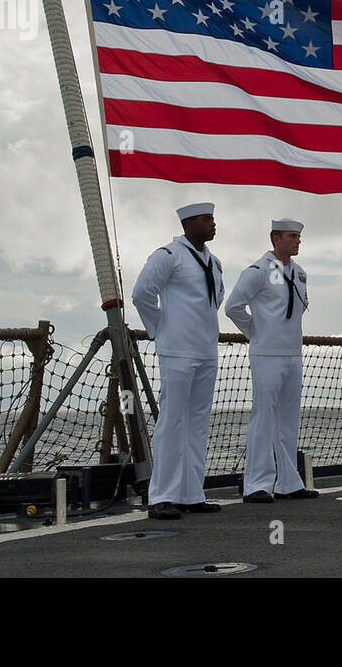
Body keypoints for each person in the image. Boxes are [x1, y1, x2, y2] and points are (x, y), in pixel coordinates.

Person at [130, 202, 225, 519]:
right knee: (172, 421)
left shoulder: (213, 262)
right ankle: (161, 496)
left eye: (212, 218)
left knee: (197, 425)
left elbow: (215, 299)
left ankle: (191, 493)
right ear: (188, 224)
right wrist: (160, 329)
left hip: (205, 350)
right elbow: (142, 292)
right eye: (206, 219)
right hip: (178, 350)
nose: (213, 223)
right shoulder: (167, 256)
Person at [225, 218, 319, 503]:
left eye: (299, 236)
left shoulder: (300, 273)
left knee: (288, 421)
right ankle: (256, 484)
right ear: (275, 239)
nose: (297, 241)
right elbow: (233, 307)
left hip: (292, 353)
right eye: (292, 236)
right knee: (264, 418)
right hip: (266, 354)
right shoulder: (257, 271)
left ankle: (289, 483)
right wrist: (256, 333)